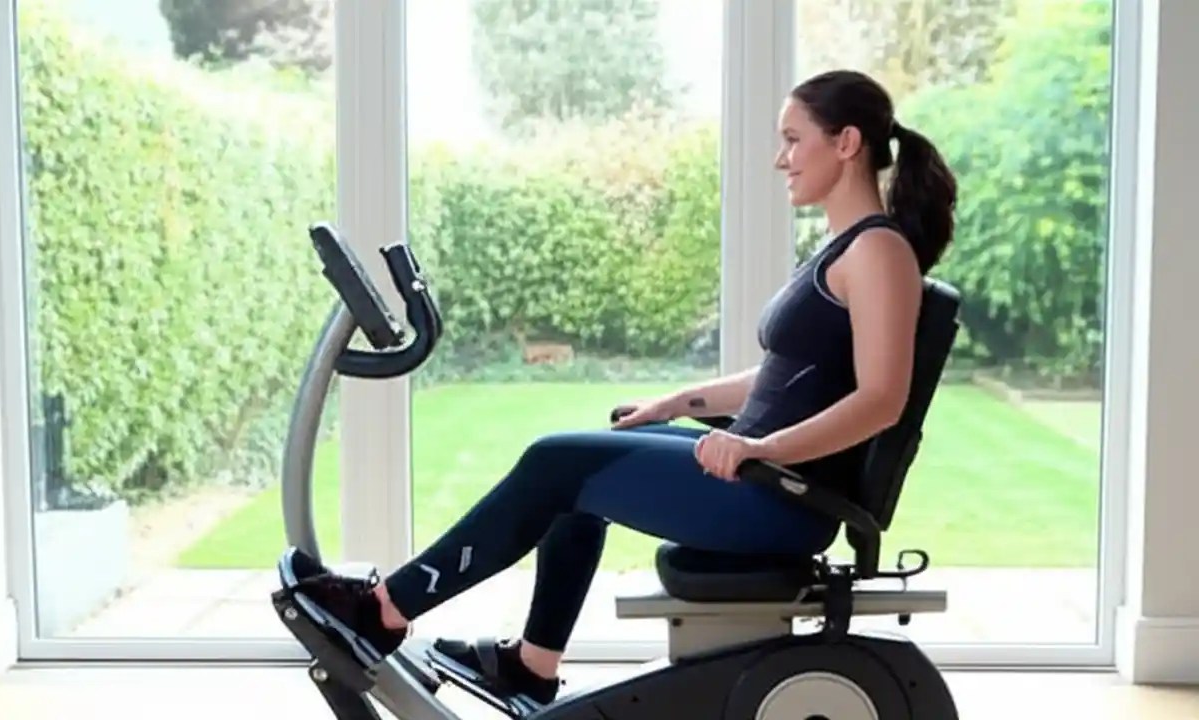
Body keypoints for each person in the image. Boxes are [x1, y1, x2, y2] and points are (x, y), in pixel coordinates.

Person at [283, 68, 958, 708]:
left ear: (846, 144)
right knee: (593, 456)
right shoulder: (847, 248)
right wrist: (677, 405)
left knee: (557, 460)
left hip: (781, 501)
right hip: (761, 475)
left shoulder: (878, 252)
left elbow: (880, 399)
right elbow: (788, 376)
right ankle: (532, 666)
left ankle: (382, 612)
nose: (781, 158)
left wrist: (758, 448)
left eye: (792, 139)